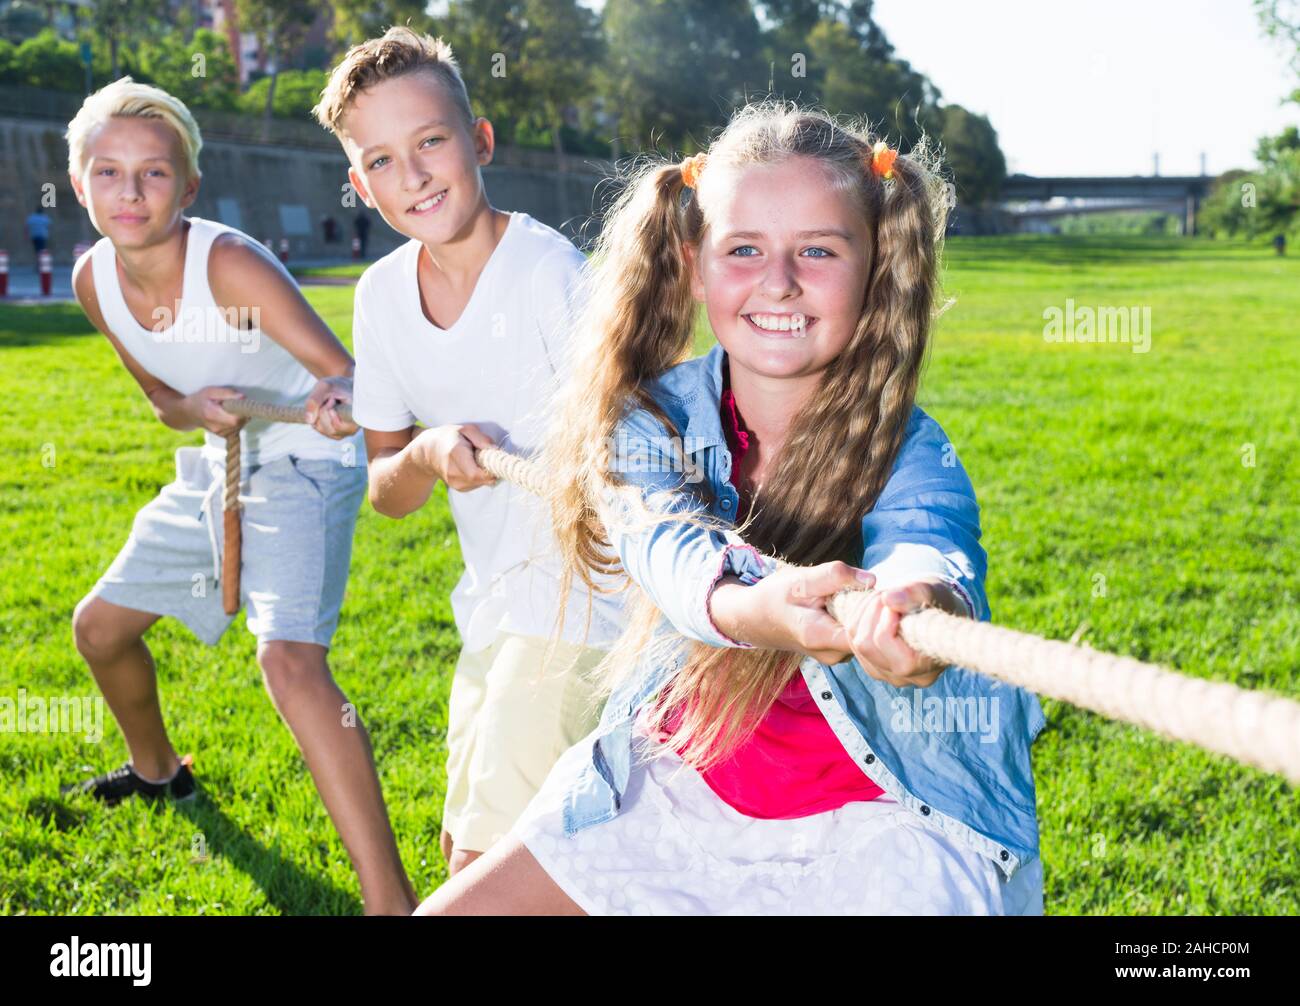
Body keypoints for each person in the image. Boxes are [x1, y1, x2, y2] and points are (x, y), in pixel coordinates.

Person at [416, 101, 1047, 916]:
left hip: (882, 816)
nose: (778, 280)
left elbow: (933, 544)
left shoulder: (910, 449)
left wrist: (919, 605)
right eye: (743, 249)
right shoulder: (649, 421)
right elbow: (664, 541)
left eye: (817, 250)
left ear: (876, 262)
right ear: (695, 262)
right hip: (679, 786)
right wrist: (755, 606)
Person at [62, 77, 417, 914]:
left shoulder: (225, 263)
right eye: (107, 172)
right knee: (99, 631)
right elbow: (163, 403)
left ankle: (390, 903)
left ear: (186, 188)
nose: (129, 191)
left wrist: (339, 404)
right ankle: (159, 776)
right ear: (78, 185)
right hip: (222, 458)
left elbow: (349, 380)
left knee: (287, 659)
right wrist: (197, 407)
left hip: (300, 458)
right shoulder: (92, 280)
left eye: (153, 173)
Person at [312, 28, 625, 877]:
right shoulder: (378, 298)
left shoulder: (548, 272)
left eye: (430, 142)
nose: (410, 176)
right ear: (357, 184)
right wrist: (426, 453)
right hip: (490, 605)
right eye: (379, 160)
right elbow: (387, 486)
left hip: (579, 604)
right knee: (468, 848)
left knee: (485, 870)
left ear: (478, 140)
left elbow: (623, 444)